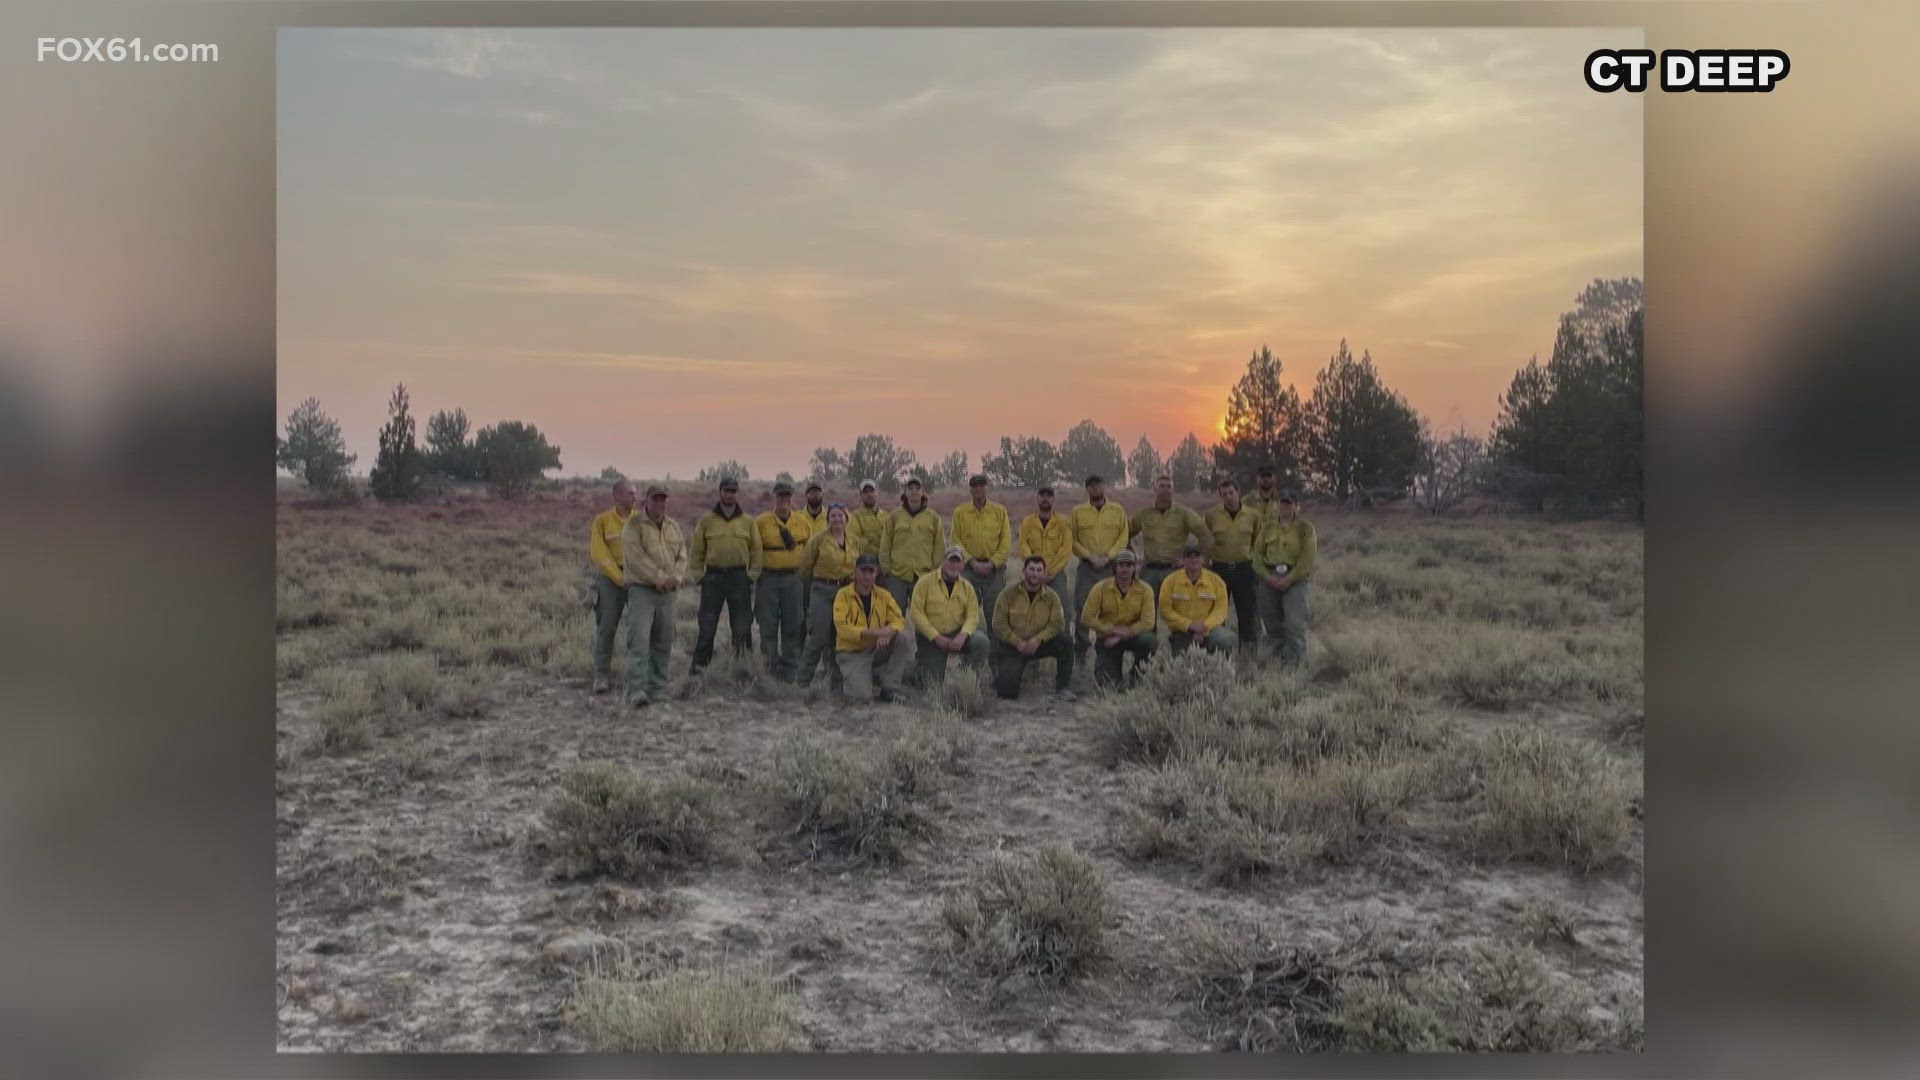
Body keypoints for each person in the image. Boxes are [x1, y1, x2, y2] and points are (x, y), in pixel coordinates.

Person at [619, 484, 689, 709]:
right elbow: (636, 558)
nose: (660, 503)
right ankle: (636, 689)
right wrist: (658, 577)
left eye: (663, 499)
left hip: (668, 594)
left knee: (663, 641)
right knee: (639, 641)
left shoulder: (673, 526)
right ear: (646, 500)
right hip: (642, 591)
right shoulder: (634, 526)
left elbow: (682, 555)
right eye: (655, 499)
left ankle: (657, 688)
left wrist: (676, 577)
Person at [687, 476, 761, 675]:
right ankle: (698, 671)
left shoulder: (748, 522)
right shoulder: (707, 521)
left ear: (737, 493)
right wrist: (699, 576)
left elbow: (756, 551)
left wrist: (751, 576)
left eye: (733, 491)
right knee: (707, 627)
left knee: (742, 627)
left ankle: (742, 670)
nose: (729, 494)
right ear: (720, 492)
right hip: (713, 579)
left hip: (739, 578)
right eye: (726, 491)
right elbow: (696, 551)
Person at [833, 552, 916, 703]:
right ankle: (845, 674)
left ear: (876, 573)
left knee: (904, 637)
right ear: (855, 572)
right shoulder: (843, 595)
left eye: (871, 571)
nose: (867, 575)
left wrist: (889, 633)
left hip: (875, 648)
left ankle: (890, 689)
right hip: (852, 653)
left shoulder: (883, 595)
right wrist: (876, 633)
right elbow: (843, 629)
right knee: (861, 698)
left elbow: (898, 619)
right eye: (863, 570)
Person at [991, 554, 1076, 701]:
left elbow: (1057, 624)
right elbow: (998, 624)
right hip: (1014, 646)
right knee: (1007, 693)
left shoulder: (1052, 597)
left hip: (1038, 645)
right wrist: (1017, 642)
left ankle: (1063, 688)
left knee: (1066, 642)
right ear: (1023, 571)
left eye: (1039, 570)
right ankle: (1004, 677)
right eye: (1031, 569)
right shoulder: (1008, 594)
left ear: (1044, 573)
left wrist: (1038, 639)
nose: (1035, 574)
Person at [754, 480, 813, 681]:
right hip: (768, 578)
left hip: (794, 579)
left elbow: (810, 551)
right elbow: (753, 550)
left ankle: (790, 667)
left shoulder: (802, 522)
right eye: (780, 495)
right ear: (775, 497)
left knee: (793, 623)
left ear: (792, 497)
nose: (784, 499)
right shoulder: (761, 522)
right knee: (767, 623)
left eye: (787, 495)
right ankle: (769, 665)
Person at [796, 502, 859, 690]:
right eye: (833, 516)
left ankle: (836, 683)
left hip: (845, 592)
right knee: (818, 637)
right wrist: (817, 585)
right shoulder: (818, 540)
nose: (837, 519)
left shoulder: (853, 540)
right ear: (828, 519)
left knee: (839, 638)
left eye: (840, 515)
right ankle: (803, 682)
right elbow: (805, 569)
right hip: (822, 590)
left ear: (846, 518)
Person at [1251, 489, 1318, 666]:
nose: (1285, 507)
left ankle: (1298, 663)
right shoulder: (1267, 528)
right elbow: (1256, 556)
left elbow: (1307, 559)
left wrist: (1290, 579)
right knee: (1272, 622)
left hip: (1295, 578)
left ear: (1297, 507)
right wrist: (1267, 577)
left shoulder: (1306, 529)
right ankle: (1279, 661)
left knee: (1295, 623)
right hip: (1269, 578)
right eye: (1282, 503)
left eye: (1289, 504)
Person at [908, 544, 991, 687]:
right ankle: (919, 669)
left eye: (957, 561)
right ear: (943, 561)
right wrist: (936, 637)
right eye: (950, 561)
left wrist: (963, 635)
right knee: (930, 684)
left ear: (962, 565)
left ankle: (968, 677)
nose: (954, 565)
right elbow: (916, 614)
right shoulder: (924, 582)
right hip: (931, 637)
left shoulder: (967, 587)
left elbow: (972, 616)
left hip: (957, 633)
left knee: (981, 642)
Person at [1068, 473, 1129, 656]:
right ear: (1087, 489)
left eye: (1098, 484)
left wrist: (1108, 557)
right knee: (1083, 609)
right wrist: (1089, 557)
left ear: (1104, 486)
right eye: (1091, 485)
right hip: (1087, 568)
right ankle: (1081, 652)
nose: (1095, 487)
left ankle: (1109, 651)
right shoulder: (1078, 512)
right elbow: (1071, 539)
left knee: (1111, 609)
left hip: (1111, 568)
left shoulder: (1117, 510)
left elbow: (1123, 537)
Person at [1079, 548, 1157, 690]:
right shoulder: (1100, 588)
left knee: (1149, 640)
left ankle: (1138, 675)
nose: (1125, 569)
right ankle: (1111, 674)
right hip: (1107, 638)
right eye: (1121, 565)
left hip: (1133, 636)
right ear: (1115, 567)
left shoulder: (1146, 590)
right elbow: (1086, 618)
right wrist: (1111, 630)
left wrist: (1122, 634)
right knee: (1109, 685)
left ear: (1135, 568)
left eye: (1129, 565)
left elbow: (1148, 622)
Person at [586, 478, 637, 694]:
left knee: (639, 629)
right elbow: (598, 553)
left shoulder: (641, 521)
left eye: (635, 493)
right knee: (606, 628)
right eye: (630, 493)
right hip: (609, 580)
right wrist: (619, 577)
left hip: (637, 579)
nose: (635, 497)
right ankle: (601, 676)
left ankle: (637, 676)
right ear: (617, 496)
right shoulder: (602, 521)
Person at [1129, 473, 1213, 602]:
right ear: (1155, 489)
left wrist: (1194, 560)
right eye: (1162, 486)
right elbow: (1125, 534)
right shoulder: (1143, 513)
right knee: (1147, 610)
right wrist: (1133, 559)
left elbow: (1206, 536)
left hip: (1174, 570)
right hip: (1149, 571)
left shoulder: (1184, 513)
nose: (1165, 489)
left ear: (1173, 490)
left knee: (1177, 609)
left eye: (1169, 486)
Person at [1203, 476, 1265, 650]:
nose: (1228, 497)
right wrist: (1206, 565)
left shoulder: (1253, 516)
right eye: (1224, 494)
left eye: (1231, 492)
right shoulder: (1211, 515)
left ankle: (1248, 654)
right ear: (1220, 496)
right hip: (1219, 570)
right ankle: (1218, 652)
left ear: (1238, 492)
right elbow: (1205, 541)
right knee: (1217, 613)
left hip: (1245, 569)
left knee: (1248, 614)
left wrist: (1257, 566)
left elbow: (1258, 543)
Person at [949, 474, 1012, 630]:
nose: (978, 489)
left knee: (996, 614)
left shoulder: (1000, 511)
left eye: (982, 485)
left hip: (994, 571)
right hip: (969, 569)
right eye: (975, 486)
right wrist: (972, 562)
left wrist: (991, 564)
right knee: (964, 612)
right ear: (970, 489)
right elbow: (955, 541)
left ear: (986, 488)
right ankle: (967, 644)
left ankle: (995, 646)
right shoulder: (960, 512)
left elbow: (1005, 543)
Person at [1018, 484, 1076, 648]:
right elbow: (1023, 546)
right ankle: (1031, 654)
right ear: (1037, 498)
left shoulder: (1063, 522)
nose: (1045, 498)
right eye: (1042, 495)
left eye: (1048, 495)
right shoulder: (1028, 522)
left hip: (1055, 576)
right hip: (1032, 577)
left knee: (1062, 613)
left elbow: (1066, 550)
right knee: (1029, 613)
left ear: (1053, 499)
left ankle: (1064, 650)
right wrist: (1035, 571)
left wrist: (1049, 572)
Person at [1159, 540, 1236, 656]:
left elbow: (1220, 611)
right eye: (1189, 556)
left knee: (1223, 639)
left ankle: (1219, 666)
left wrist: (1204, 628)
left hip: (1210, 629)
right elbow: (1165, 611)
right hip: (1182, 630)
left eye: (1197, 556)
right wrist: (1189, 625)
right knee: (1182, 661)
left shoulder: (1217, 581)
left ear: (1203, 559)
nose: (1193, 559)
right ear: (1183, 560)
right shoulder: (1170, 581)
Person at [882, 476, 944, 615]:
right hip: (897, 576)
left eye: (917, 488)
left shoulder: (933, 517)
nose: (914, 491)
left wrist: (933, 572)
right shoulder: (894, 516)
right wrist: (887, 571)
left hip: (923, 576)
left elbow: (939, 547)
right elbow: (885, 544)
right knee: (895, 616)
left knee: (924, 617)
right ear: (905, 492)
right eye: (910, 488)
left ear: (922, 492)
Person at [849, 479, 892, 561]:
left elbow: (892, 539)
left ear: (877, 492)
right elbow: (855, 542)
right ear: (861, 495)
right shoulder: (855, 516)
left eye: (872, 491)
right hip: (865, 561)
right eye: (865, 492)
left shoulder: (886, 516)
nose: (869, 494)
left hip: (886, 560)